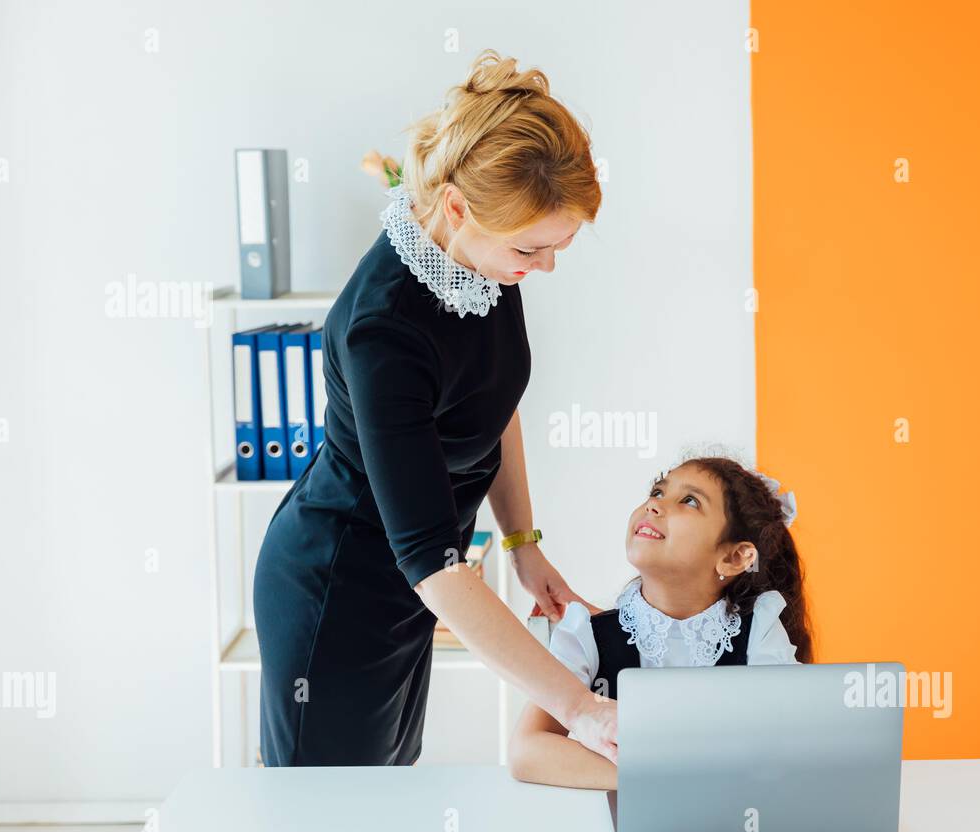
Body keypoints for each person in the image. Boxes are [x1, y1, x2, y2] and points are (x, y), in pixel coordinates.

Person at [254, 49, 616, 767]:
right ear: (456, 207)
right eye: (533, 248)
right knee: (326, 825)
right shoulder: (384, 328)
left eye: (557, 246)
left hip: (418, 589)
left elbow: (496, 405)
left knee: (389, 794)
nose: (543, 267)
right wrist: (579, 709)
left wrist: (522, 545)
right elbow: (435, 568)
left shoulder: (480, 259)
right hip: (340, 592)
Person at [508, 456, 813, 789]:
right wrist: (665, 780)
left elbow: (790, 745)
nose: (654, 504)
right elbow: (527, 750)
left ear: (735, 557)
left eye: (690, 501)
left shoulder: (759, 633)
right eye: (657, 490)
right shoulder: (586, 635)